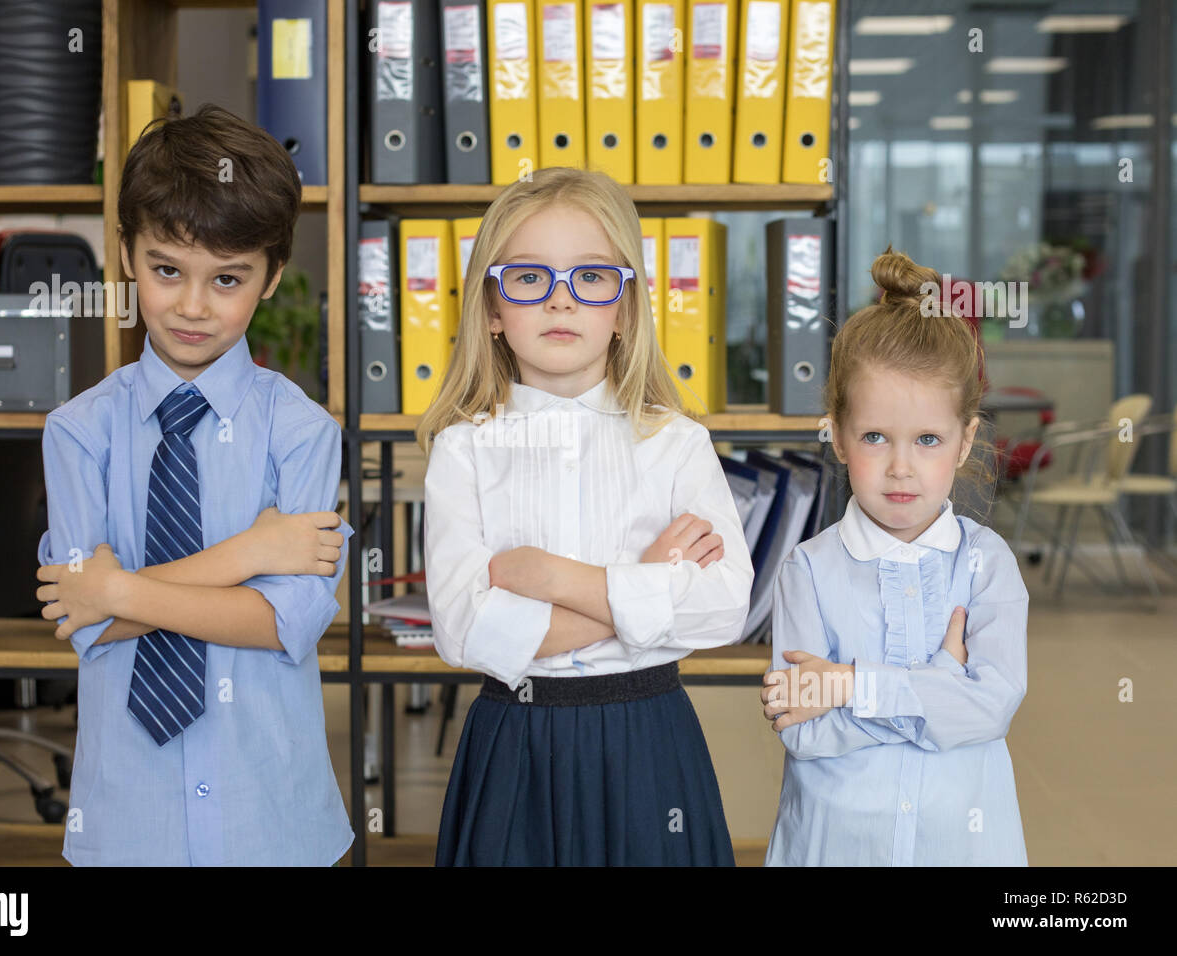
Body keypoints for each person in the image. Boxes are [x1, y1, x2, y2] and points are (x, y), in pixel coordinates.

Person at [34, 104, 353, 866]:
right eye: (166, 269)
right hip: (125, 822)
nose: (192, 305)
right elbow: (84, 626)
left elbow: (283, 623)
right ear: (125, 256)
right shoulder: (78, 431)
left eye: (228, 279)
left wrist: (116, 591)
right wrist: (250, 550)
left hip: (271, 817)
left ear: (272, 276)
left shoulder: (303, 431)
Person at [419, 166, 754, 865]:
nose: (561, 301)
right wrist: (648, 581)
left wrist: (547, 576)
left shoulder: (676, 443)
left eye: (592, 277)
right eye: (530, 278)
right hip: (517, 740)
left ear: (626, 307)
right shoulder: (464, 450)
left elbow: (725, 607)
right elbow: (464, 632)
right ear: (491, 307)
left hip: (649, 739)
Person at [761, 246, 1029, 866]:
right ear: (836, 435)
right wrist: (937, 688)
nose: (901, 466)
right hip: (837, 847)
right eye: (875, 436)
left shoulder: (987, 565)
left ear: (965, 442)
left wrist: (851, 686)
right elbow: (803, 730)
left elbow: (990, 709)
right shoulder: (807, 570)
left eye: (928, 439)